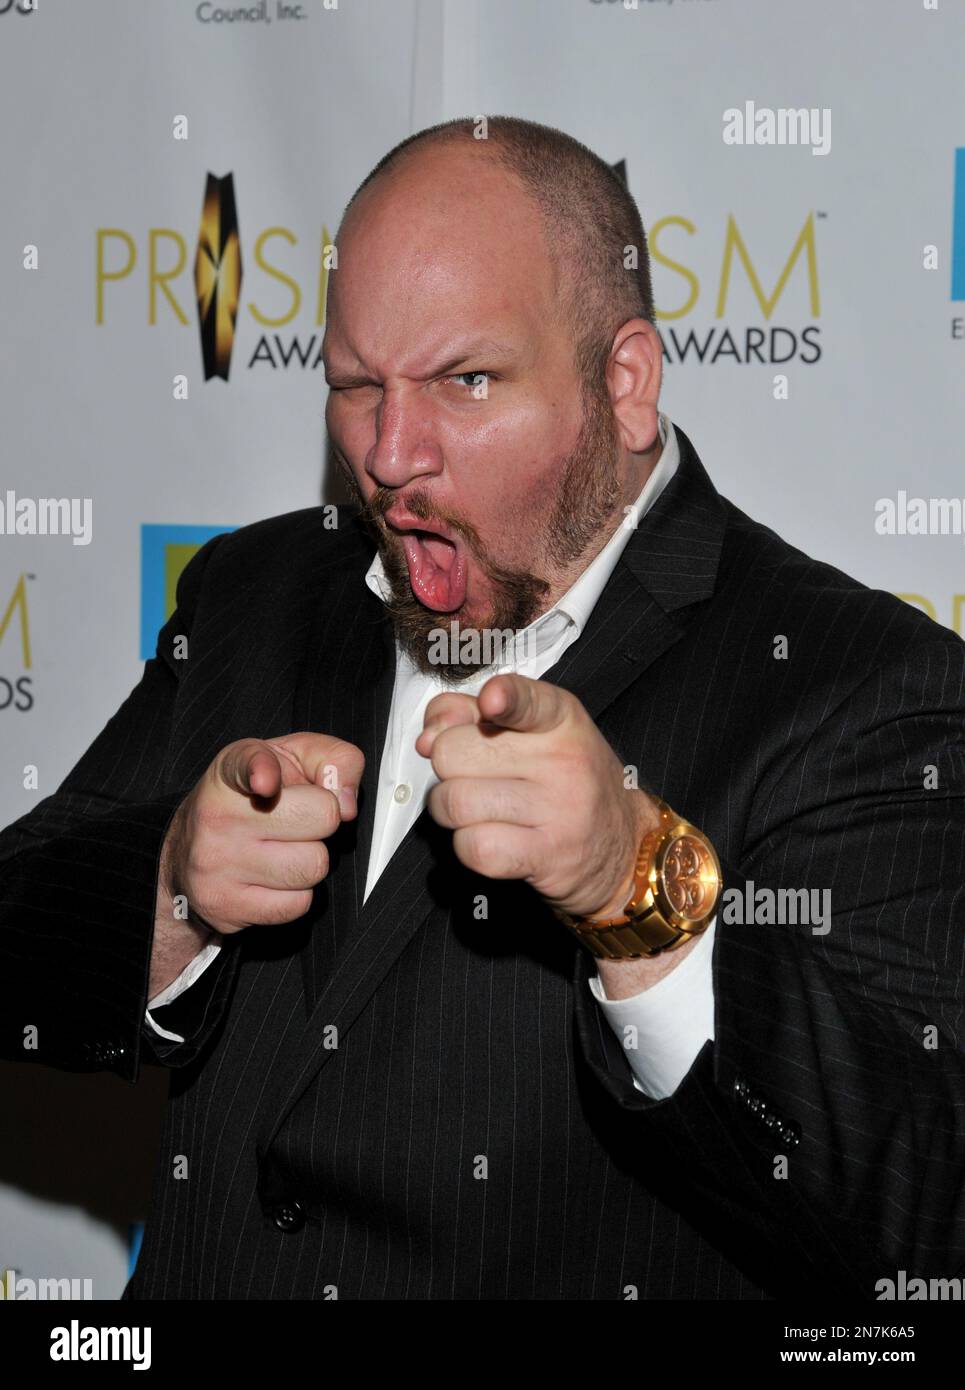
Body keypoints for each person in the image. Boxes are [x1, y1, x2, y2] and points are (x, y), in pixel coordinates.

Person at [1, 116, 963, 1301]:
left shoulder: (852, 681)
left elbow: (922, 1214)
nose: (391, 454)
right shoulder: (255, 594)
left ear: (622, 383)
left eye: (466, 381)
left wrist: (640, 895)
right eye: (356, 386)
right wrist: (169, 886)